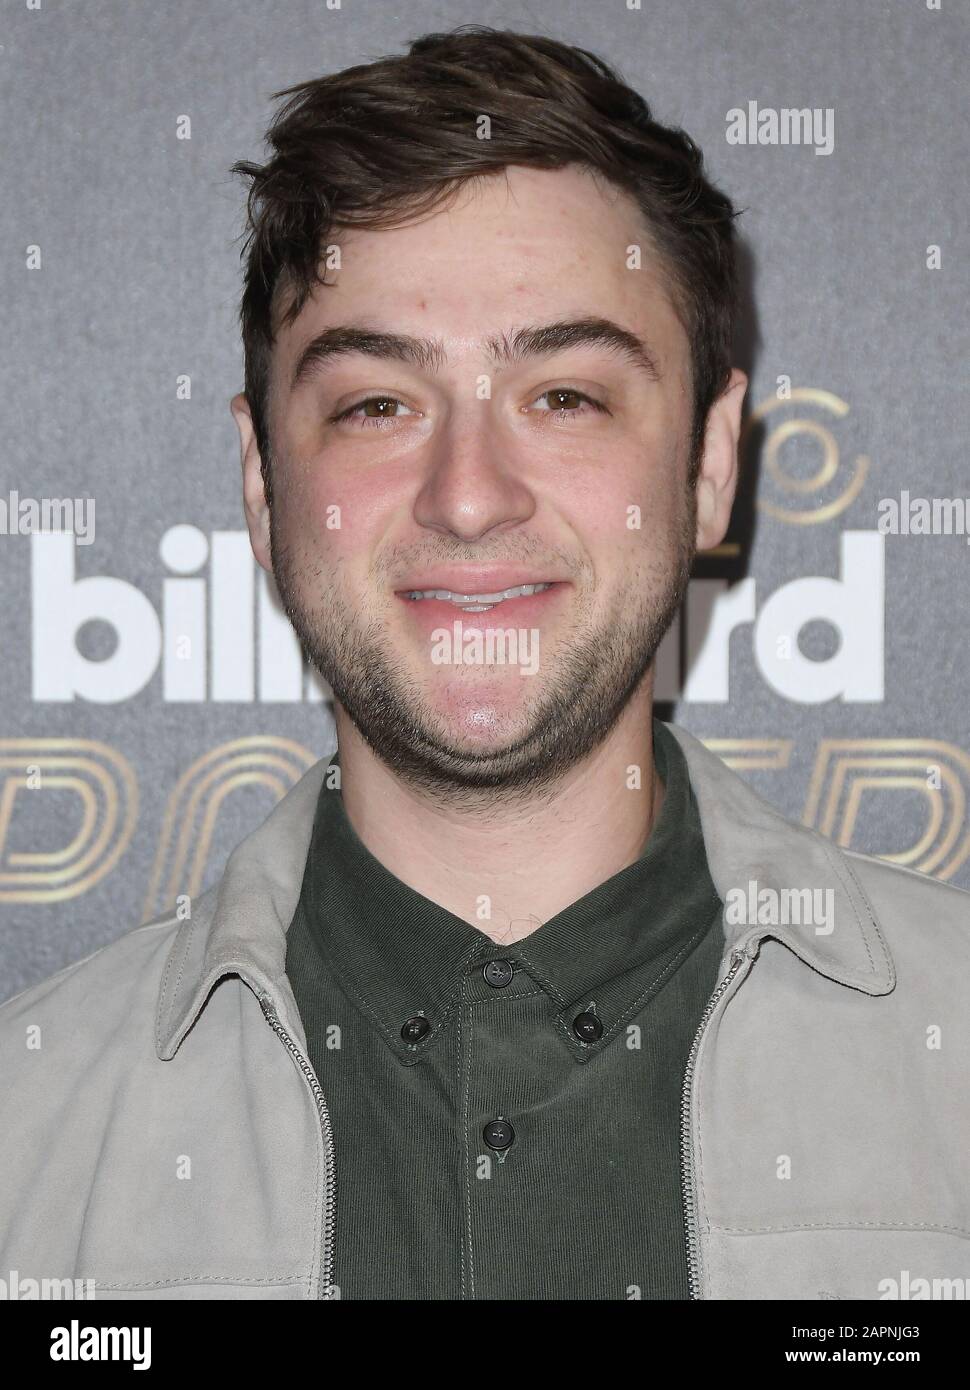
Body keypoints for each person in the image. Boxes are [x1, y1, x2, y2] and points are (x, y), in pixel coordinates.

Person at [1, 25, 967, 1302]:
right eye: (375, 404)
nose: (467, 497)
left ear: (710, 460)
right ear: (259, 480)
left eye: (564, 394)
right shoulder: (28, 1134)